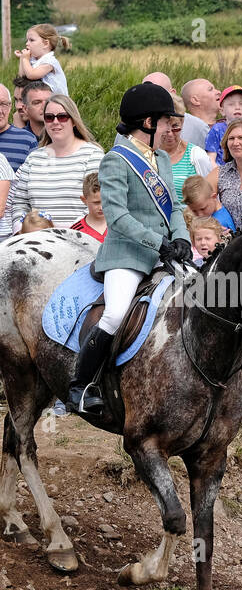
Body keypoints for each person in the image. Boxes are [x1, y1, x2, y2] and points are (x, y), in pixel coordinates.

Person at [67, 83, 191, 416]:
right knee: (116, 312)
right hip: (127, 254)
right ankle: (81, 385)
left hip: (164, 251)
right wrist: (159, 243)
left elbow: (174, 207)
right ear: (148, 123)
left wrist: (182, 239)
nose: (171, 127)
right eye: (166, 121)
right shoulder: (115, 160)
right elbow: (118, 217)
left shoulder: (162, 158)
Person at [3, 94, 103, 234]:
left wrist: (66, 235)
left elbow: (99, 201)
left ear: (73, 120)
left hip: (81, 240)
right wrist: (22, 231)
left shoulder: (93, 155)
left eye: (62, 116)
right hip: (36, 242)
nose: (55, 122)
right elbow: (19, 202)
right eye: (49, 117)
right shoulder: (33, 159)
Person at [159, 94, 214, 200]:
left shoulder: (196, 156)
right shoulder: (146, 153)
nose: (170, 134)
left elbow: (210, 198)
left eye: (175, 126)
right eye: (165, 128)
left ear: (182, 123)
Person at [16, 24, 68, 97]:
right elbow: (22, 76)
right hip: (44, 100)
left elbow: (31, 75)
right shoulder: (34, 60)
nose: (27, 43)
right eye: (27, 40)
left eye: (31, 40)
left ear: (46, 44)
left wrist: (25, 59)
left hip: (58, 103)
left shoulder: (49, 61)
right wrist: (22, 58)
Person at [205, 85, 242, 165]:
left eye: (241, 103)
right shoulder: (217, 129)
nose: (237, 107)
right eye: (231, 104)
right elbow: (211, 158)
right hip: (222, 172)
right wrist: (218, 175)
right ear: (222, 111)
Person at [0, 84, 38, 172]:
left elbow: (36, 179)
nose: (0, 111)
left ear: (10, 107)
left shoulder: (27, 140)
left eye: (3, 104)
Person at [180, 78, 220, 146]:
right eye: (210, 89)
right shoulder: (183, 133)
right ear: (195, 100)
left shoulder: (228, 126)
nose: (219, 92)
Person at [69, 171, 105, 241]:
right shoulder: (74, 232)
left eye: (105, 202)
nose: (101, 208)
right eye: (96, 203)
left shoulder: (121, 226)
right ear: (84, 200)